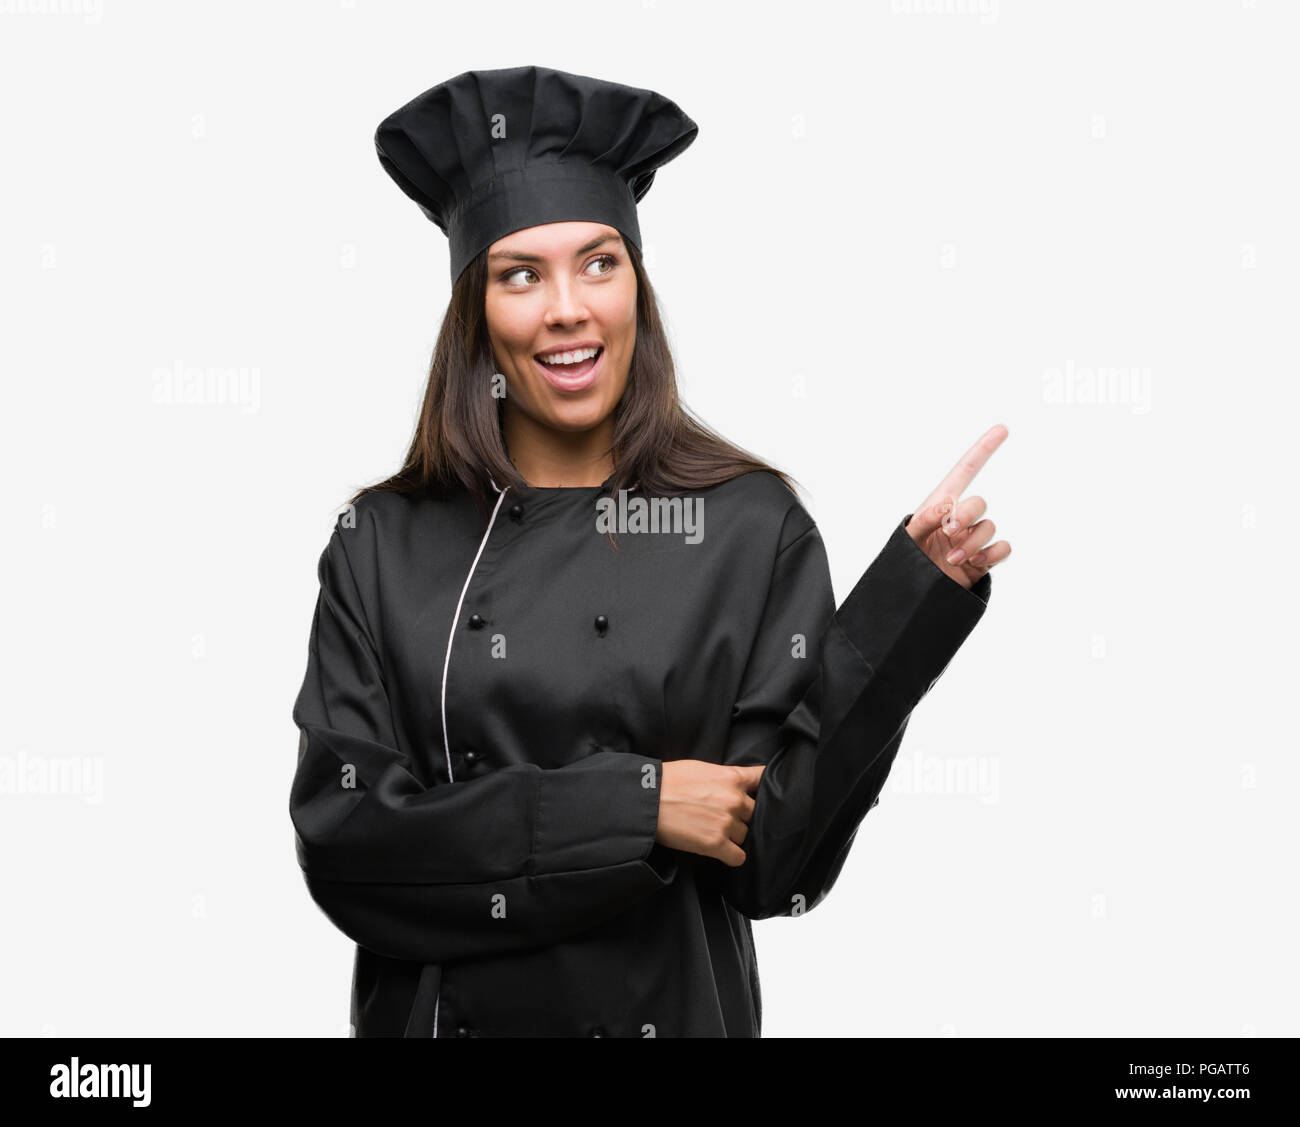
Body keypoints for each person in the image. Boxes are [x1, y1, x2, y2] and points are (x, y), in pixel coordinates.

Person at [289, 65, 1011, 1038]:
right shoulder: (380, 542)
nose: (567, 309)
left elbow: (770, 867)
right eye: (519, 274)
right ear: (476, 313)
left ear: (637, 284)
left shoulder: (750, 526)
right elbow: (351, 844)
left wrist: (903, 609)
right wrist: (640, 805)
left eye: (598, 262)